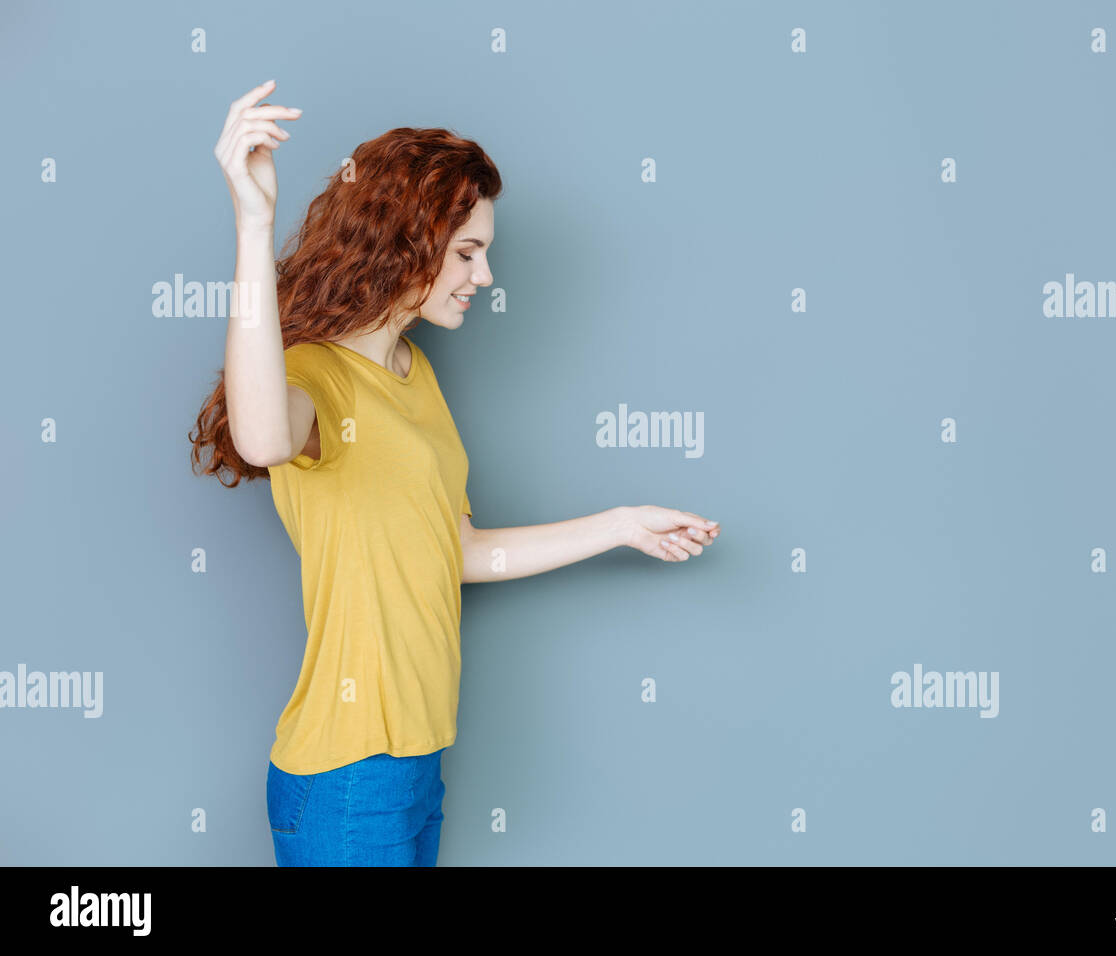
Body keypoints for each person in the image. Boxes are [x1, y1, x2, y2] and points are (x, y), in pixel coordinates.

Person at [188, 80, 722, 867]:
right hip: (349, 768)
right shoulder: (314, 377)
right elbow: (264, 436)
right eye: (468, 252)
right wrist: (253, 222)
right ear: (403, 240)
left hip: (415, 758)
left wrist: (620, 525)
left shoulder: (415, 375)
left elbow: (460, 551)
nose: (485, 276)